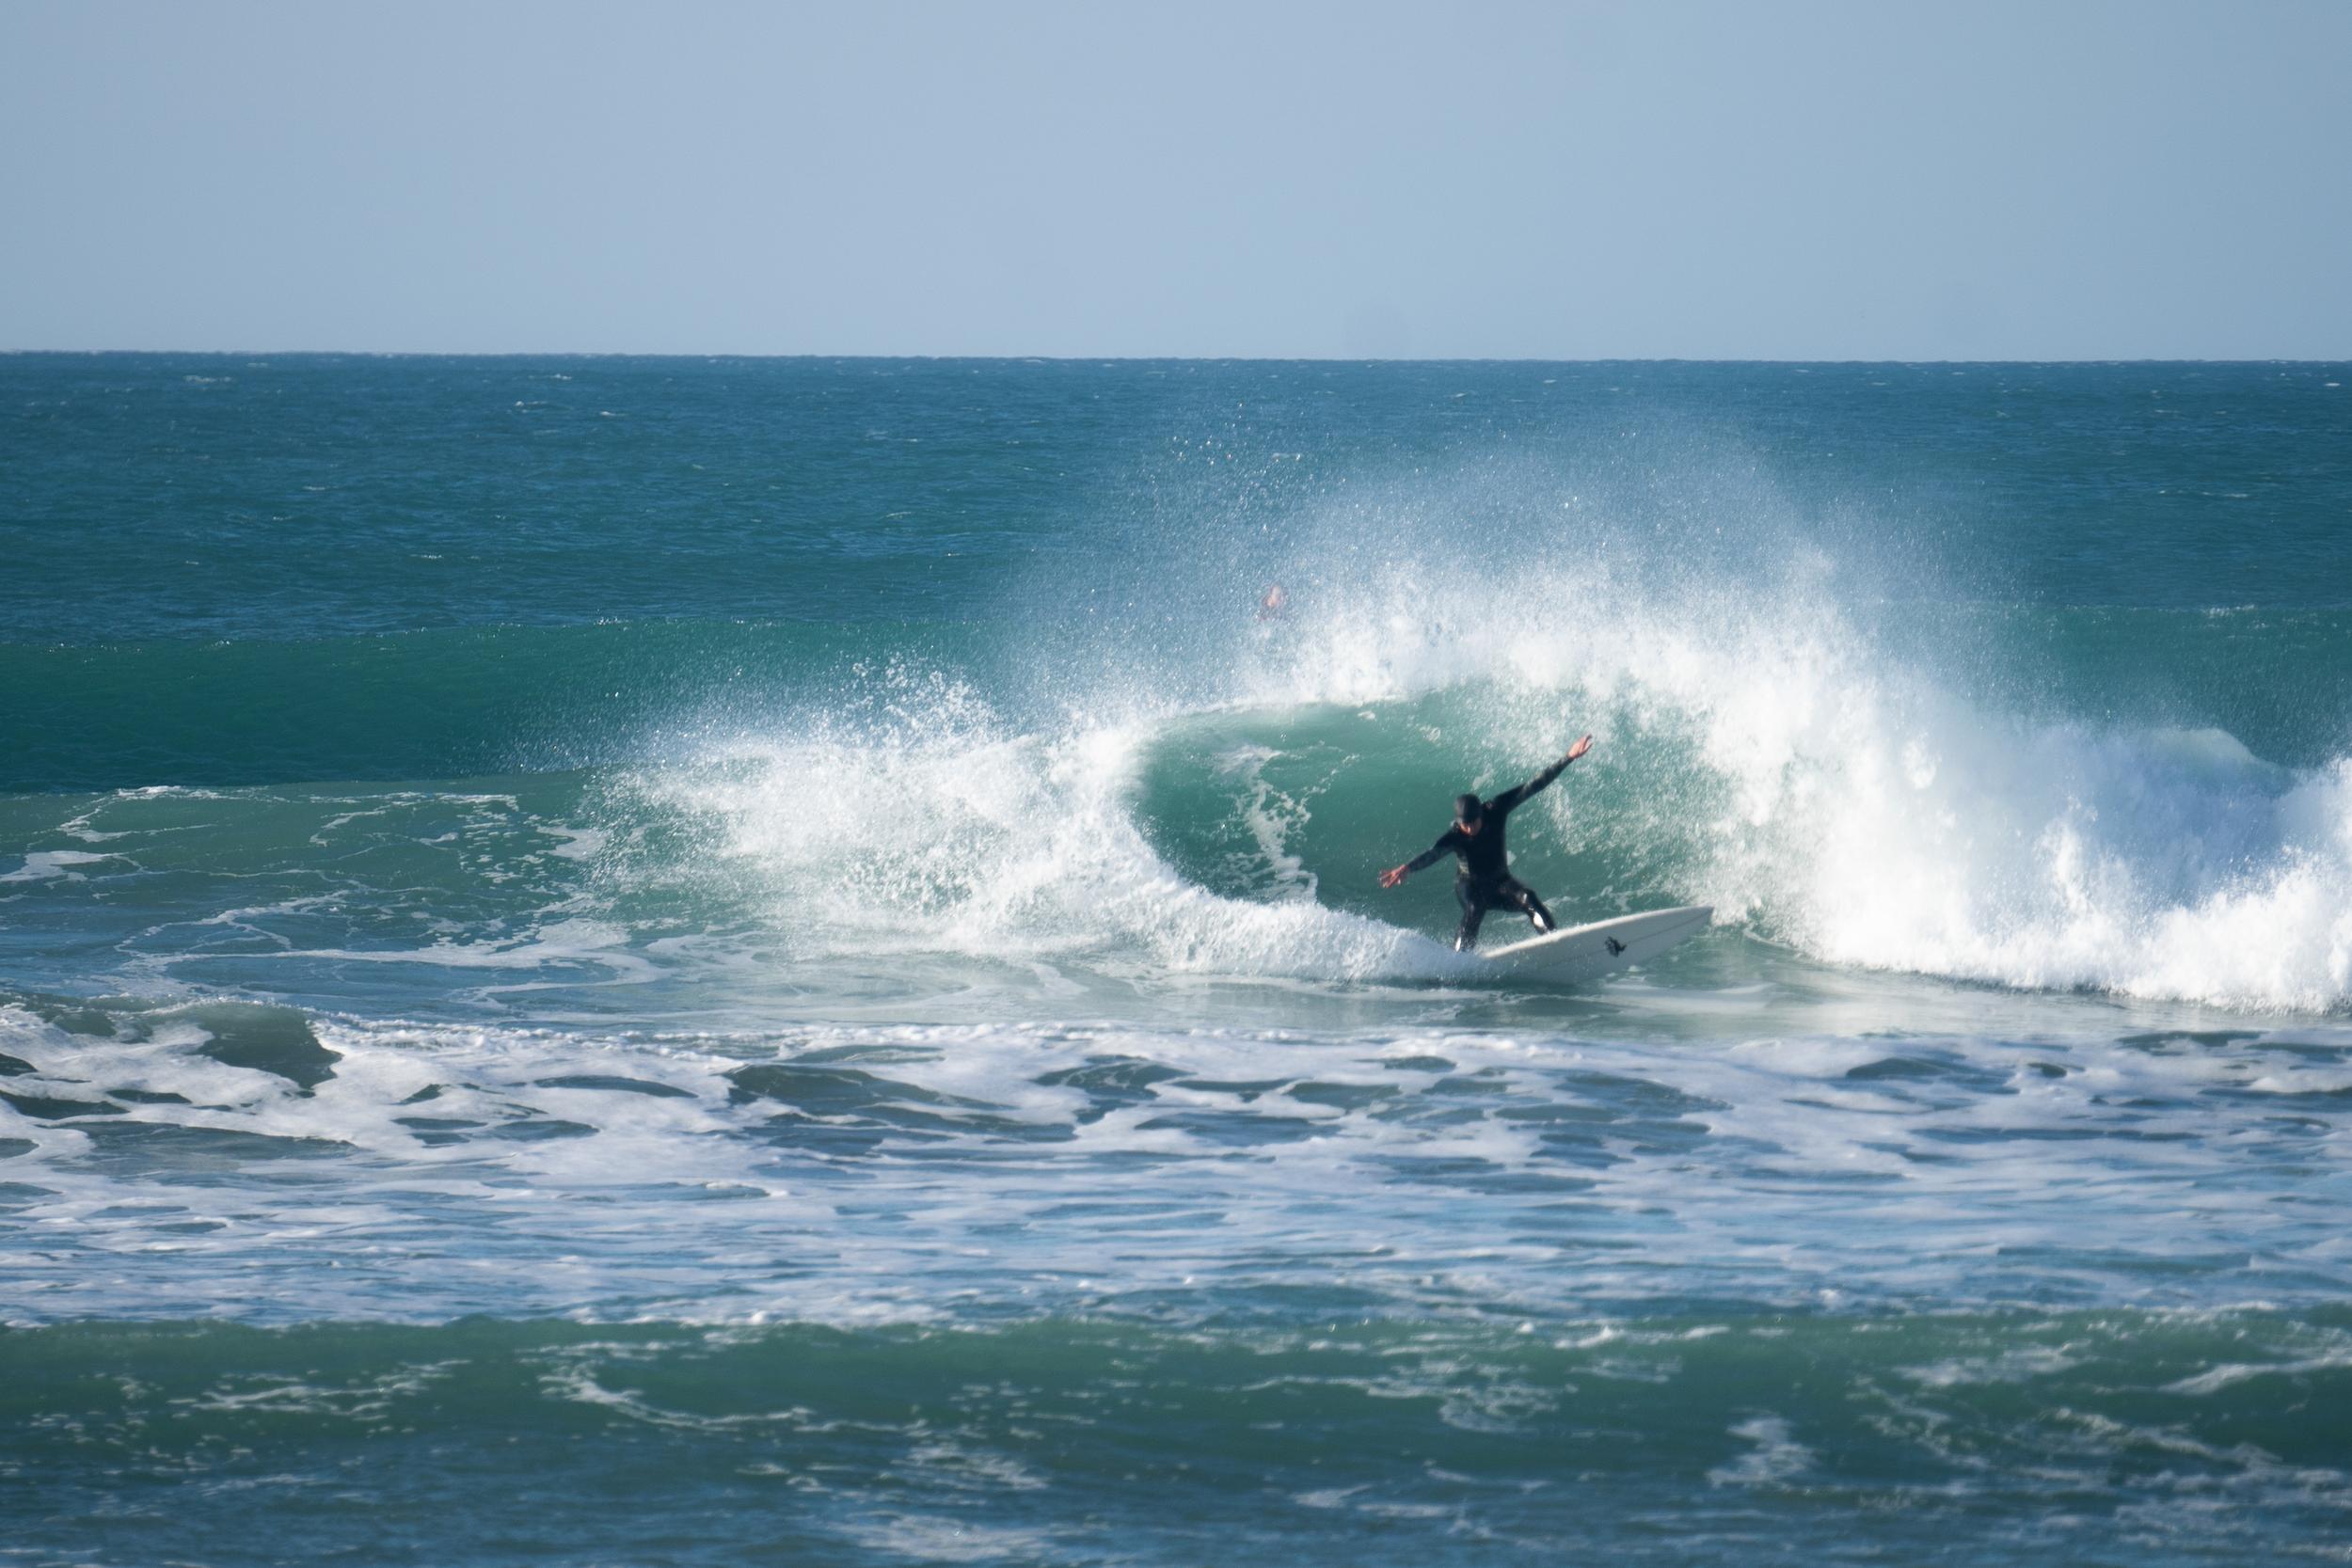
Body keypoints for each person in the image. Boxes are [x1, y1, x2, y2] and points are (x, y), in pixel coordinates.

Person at [1378, 734, 1594, 951]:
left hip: (1501, 882)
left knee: (1529, 897)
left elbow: (1533, 785)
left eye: (1473, 822)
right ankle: (1458, 962)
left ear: (1481, 812)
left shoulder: (1496, 809)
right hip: (1469, 886)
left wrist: (1569, 757)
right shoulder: (1455, 835)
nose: (1470, 828)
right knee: (1475, 907)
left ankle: (1554, 943)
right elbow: (1432, 853)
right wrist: (1407, 867)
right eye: (1465, 824)